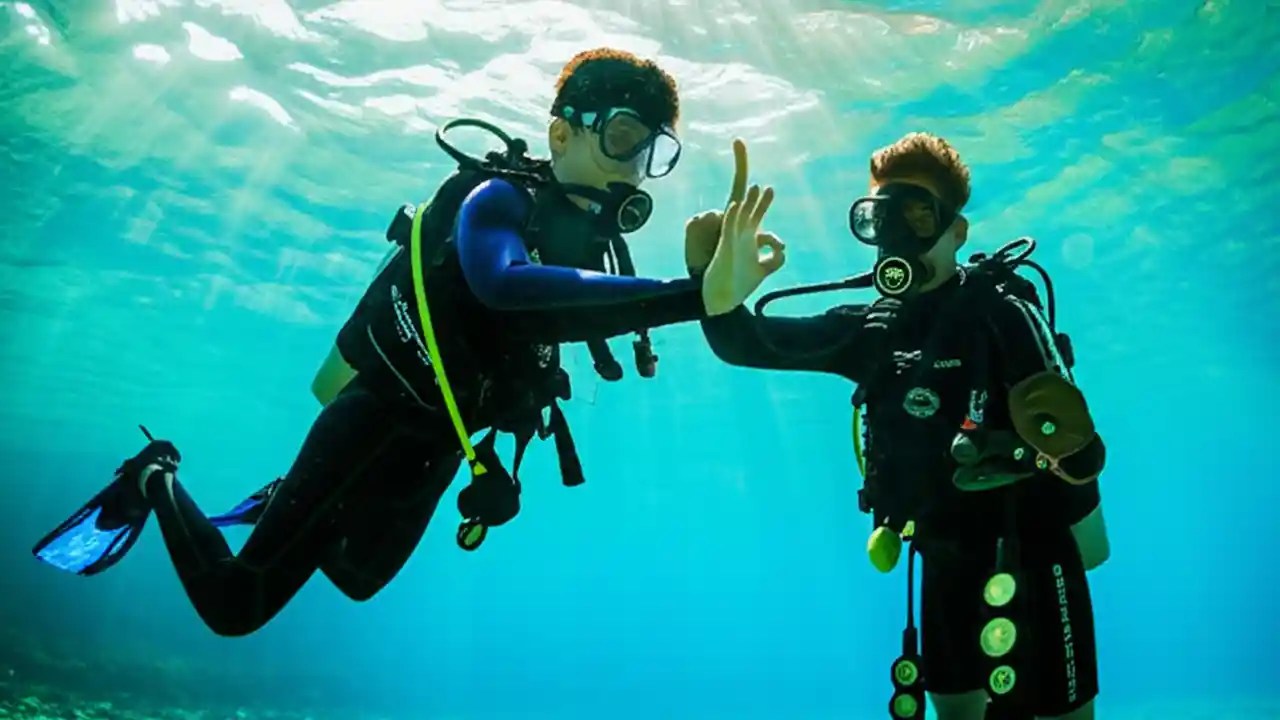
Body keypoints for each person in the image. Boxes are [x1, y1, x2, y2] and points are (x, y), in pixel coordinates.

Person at [31, 47, 785, 637]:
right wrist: (695, 297)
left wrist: (711, 290)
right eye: (623, 136)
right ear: (563, 131)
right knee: (239, 605)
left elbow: (549, 332)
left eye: (653, 150)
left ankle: (294, 501)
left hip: (444, 439)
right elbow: (502, 288)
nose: (634, 165)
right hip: (380, 410)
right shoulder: (498, 199)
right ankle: (155, 473)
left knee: (358, 576)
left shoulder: (587, 250)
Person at [691, 133, 1110, 720]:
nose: (895, 237)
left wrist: (1045, 449)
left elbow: (1078, 451)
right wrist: (709, 277)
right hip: (937, 560)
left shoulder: (1004, 315)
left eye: (917, 215)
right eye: (877, 219)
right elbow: (741, 342)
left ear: (956, 231)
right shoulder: (870, 329)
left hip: (1033, 553)